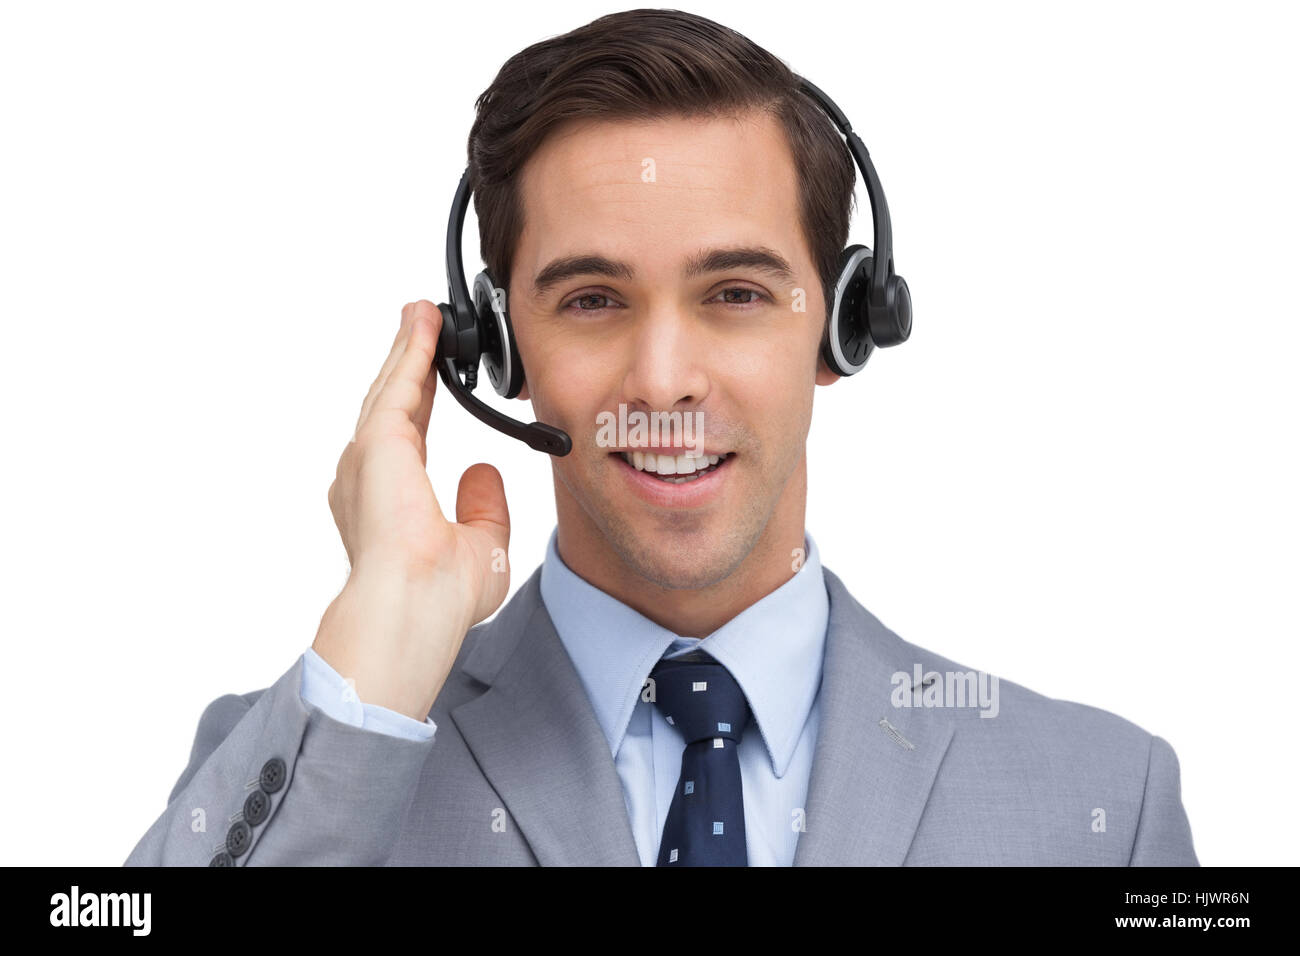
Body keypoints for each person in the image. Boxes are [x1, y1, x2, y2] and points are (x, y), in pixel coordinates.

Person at [125, 8, 1197, 867]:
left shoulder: (1105, 796)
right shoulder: (320, 748)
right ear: (496, 350)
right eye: (592, 299)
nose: (663, 380)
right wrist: (372, 657)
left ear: (842, 325)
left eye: (734, 291)